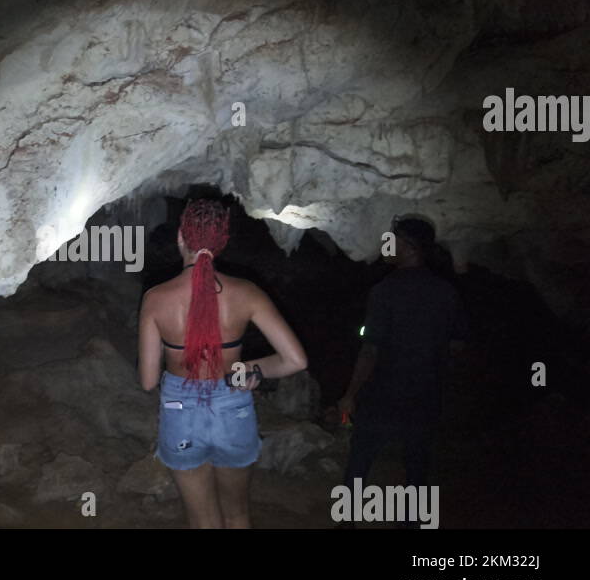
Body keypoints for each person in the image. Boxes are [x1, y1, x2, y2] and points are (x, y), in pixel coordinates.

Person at [137, 199, 308, 528]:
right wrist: (249, 371)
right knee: (237, 513)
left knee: (203, 519)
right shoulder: (247, 292)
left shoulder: (156, 298)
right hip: (233, 405)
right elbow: (295, 360)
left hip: (179, 409)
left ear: (180, 239)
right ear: (222, 243)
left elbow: (147, 380)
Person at [338, 214, 467, 526]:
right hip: (425, 391)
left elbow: (370, 348)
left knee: (361, 456)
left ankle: (347, 521)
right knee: (417, 462)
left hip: (384, 389)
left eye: (392, 240)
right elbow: (457, 345)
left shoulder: (385, 291)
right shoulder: (446, 292)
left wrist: (350, 394)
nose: (387, 245)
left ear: (409, 248)